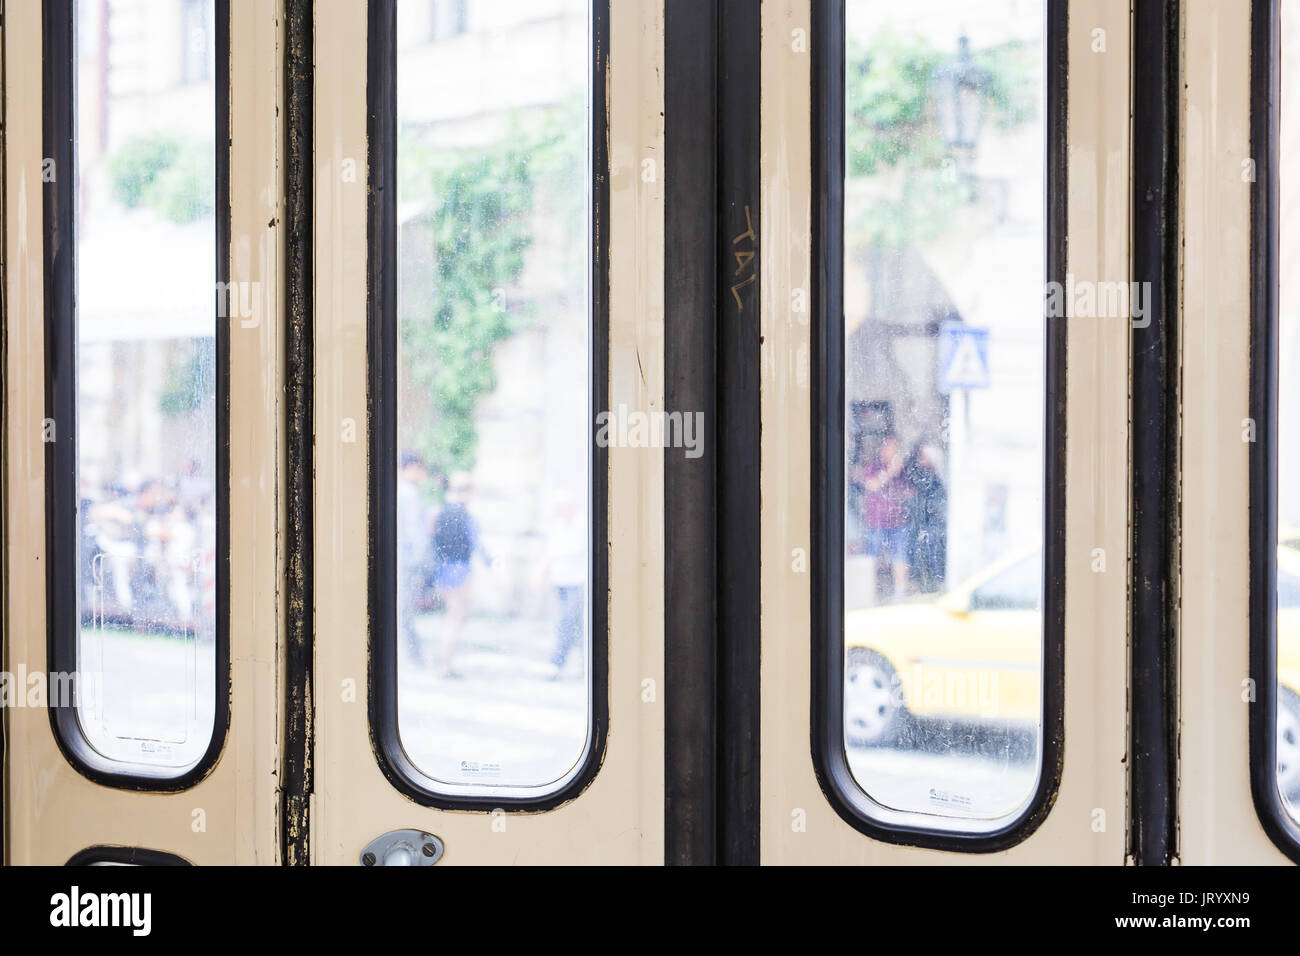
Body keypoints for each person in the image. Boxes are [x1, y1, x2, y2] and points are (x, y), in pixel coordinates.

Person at [431, 471, 489, 676]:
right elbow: (479, 546)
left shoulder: (436, 512)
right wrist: (493, 567)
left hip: (442, 571)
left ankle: (445, 660)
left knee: (453, 617)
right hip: (460, 572)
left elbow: (429, 542)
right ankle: (445, 664)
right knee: (455, 619)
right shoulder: (468, 517)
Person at [856, 434, 914, 600]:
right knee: (871, 557)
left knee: (901, 555)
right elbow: (872, 485)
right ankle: (865, 591)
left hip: (897, 520)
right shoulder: (873, 467)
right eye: (891, 447)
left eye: (897, 448)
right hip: (876, 522)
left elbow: (909, 492)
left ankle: (900, 592)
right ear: (883, 449)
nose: (894, 452)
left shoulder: (902, 470)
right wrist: (890, 472)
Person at [535, 491, 586, 679]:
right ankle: (585, 662)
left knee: (567, 621)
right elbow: (549, 552)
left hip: (578, 581)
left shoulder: (582, 523)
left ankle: (556, 663)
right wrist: (540, 574)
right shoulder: (556, 526)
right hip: (560, 581)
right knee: (577, 624)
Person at [397, 451, 430, 664]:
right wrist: (419, 562)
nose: (422, 473)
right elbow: (413, 532)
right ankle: (412, 657)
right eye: (419, 468)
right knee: (404, 610)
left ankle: (412, 655)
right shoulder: (408, 493)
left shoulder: (401, 490)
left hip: (403, 559)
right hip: (406, 561)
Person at [904, 442, 947, 593]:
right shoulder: (914, 474)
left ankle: (940, 583)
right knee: (914, 548)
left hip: (934, 521)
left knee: (935, 547)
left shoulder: (939, 477)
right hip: (918, 520)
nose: (923, 460)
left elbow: (939, 499)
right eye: (921, 457)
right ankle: (915, 582)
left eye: (926, 457)